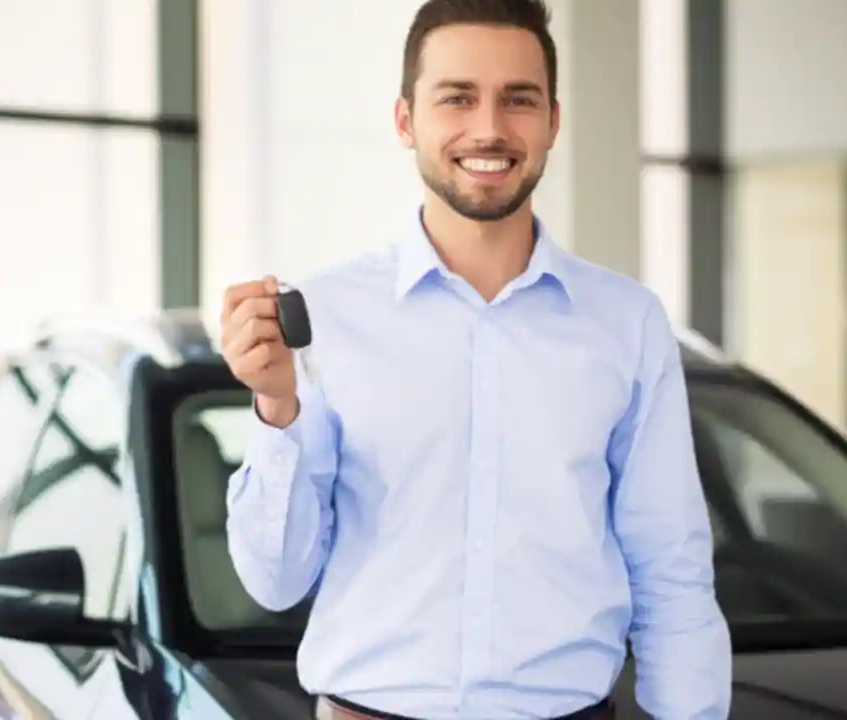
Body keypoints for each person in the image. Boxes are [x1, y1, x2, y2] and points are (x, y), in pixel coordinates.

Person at [218, 1, 732, 718]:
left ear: (553, 120)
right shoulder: (326, 318)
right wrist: (277, 409)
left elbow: (670, 571)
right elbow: (276, 582)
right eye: (457, 97)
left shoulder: (626, 324)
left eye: (517, 100)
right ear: (407, 120)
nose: (489, 129)